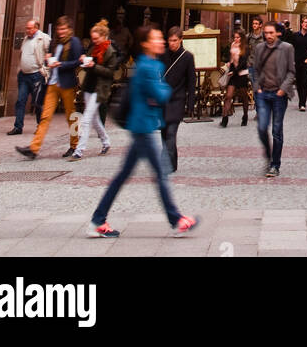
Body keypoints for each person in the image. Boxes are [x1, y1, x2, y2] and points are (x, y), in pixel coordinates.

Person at [87, 25, 199, 237]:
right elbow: (162, 95)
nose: (162, 41)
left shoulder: (147, 64)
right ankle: (176, 220)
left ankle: (98, 220)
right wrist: (165, 87)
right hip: (144, 128)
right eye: (157, 38)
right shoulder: (149, 67)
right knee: (159, 175)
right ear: (146, 43)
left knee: (125, 176)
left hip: (141, 126)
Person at [17, 16, 82, 160]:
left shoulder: (74, 42)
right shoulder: (55, 42)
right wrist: (49, 58)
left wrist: (60, 64)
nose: (61, 32)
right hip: (53, 83)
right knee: (45, 116)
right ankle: (34, 148)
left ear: (69, 29)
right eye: (59, 29)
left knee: (70, 116)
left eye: (64, 29)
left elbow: (77, 61)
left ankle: (75, 144)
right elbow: (51, 56)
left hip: (67, 84)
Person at [252, 20, 296, 176]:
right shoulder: (259, 48)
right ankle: (269, 155)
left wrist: (283, 89)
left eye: (271, 33)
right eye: (266, 33)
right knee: (262, 127)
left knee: (277, 130)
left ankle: (275, 165)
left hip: (278, 94)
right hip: (263, 93)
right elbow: (255, 70)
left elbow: (291, 72)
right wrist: (256, 87)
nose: (268, 36)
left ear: (278, 33)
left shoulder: (287, 48)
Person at [69, 21, 117, 160]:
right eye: (93, 38)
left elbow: (110, 72)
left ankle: (79, 151)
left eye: (96, 38)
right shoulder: (93, 48)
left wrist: (93, 66)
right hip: (89, 86)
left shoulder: (110, 51)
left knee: (87, 118)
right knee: (95, 119)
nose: (94, 41)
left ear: (104, 36)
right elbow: (88, 66)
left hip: (100, 88)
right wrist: (84, 61)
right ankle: (106, 142)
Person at [7, 19, 50, 136]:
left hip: (36, 75)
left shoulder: (43, 38)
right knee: (20, 101)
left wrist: (47, 62)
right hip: (24, 75)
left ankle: (40, 127)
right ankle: (18, 127)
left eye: (29, 28)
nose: (27, 30)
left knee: (37, 102)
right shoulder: (26, 39)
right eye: (26, 28)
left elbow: (49, 52)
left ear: (36, 28)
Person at [163, 26, 197, 169]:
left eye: (175, 40)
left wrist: (190, 103)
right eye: (170, 40)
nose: (172, 43)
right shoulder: (162, 55)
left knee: (171, 132)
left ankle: (167, 164)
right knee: (164, 132)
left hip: (178, 98)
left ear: (181, 40)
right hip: (163, 99)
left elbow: (191, 81)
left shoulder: (187, 57)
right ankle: (170, 161)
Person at [284, 17, 307, 111]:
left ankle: (303, 103)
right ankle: (301, 101)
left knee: (305, 82)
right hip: (296, 61)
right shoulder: (295, 35)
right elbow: (290, 48)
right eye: (304, 22)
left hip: (306, 62)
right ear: (301, 24)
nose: (306, 24)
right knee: (298, 82)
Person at [219, 33, 250, 128]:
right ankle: (224, 119)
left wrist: (235, 71)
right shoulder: (232, 45)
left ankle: (245, 116)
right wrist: (229, 64)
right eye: (235, 37)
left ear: (242, 38)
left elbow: (243, 62)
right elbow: (231, 59)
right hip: (232, 74)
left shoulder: (245, 47)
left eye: (238, 37)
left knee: (244, 96)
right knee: (228, 96)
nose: (236, 39)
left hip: (241, 74)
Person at [246, 17, 265, 91]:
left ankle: (259, 102)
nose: (254, 25)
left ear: (260, 25)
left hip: (262, 65)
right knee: (254, 85)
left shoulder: (264, 36)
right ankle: (257, 102)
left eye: (256, 24)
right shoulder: (249, 36)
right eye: (253, 23)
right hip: (251, 64)